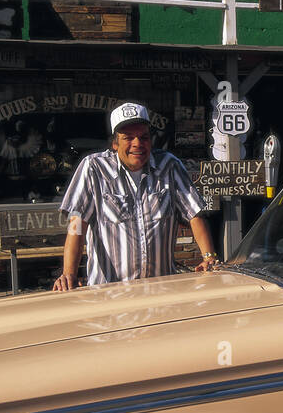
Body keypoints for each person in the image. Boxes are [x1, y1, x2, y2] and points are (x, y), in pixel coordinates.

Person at [55, 103, 220, 290]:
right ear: (115, 143)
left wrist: (209, 257)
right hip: (110, 295)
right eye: (128, 138)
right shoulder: (94, 168)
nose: (137, 144)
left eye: (144, 137)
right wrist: (68, 273)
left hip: (162, 292)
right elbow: (76, 224)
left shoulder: (169, 166)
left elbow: (195, 215)